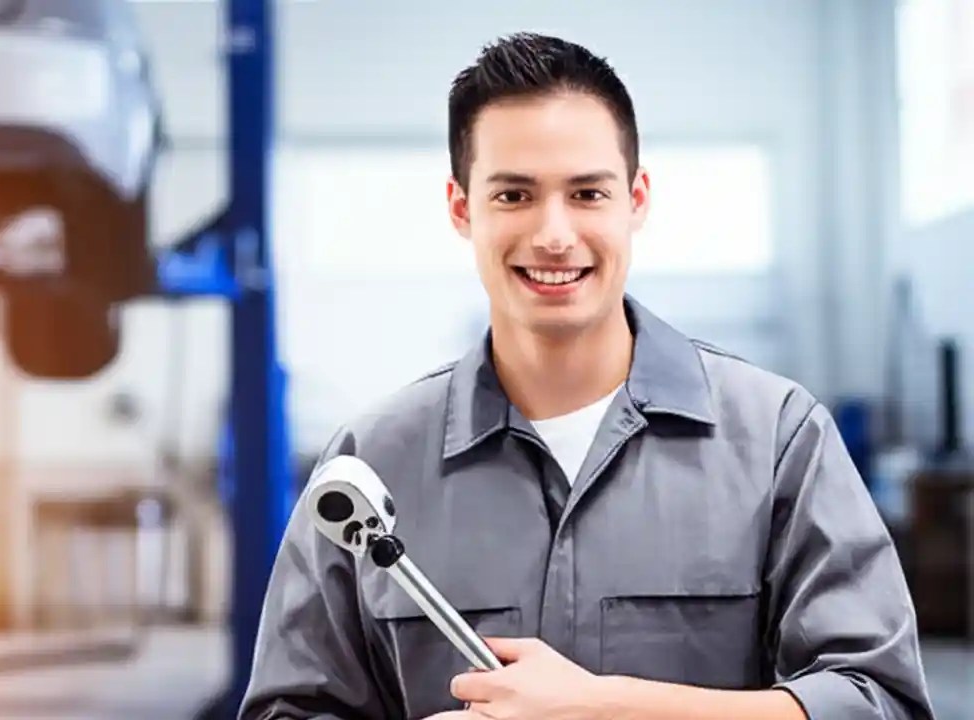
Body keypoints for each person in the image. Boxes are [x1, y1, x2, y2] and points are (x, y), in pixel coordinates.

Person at [238, 33, 935, 720]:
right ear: (461, 208)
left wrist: (604, 709)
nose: (554, 234)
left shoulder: (778, 440)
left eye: (587, 194)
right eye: (513, 195)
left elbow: (879, 701)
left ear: (635, 200)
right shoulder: (373, 462)